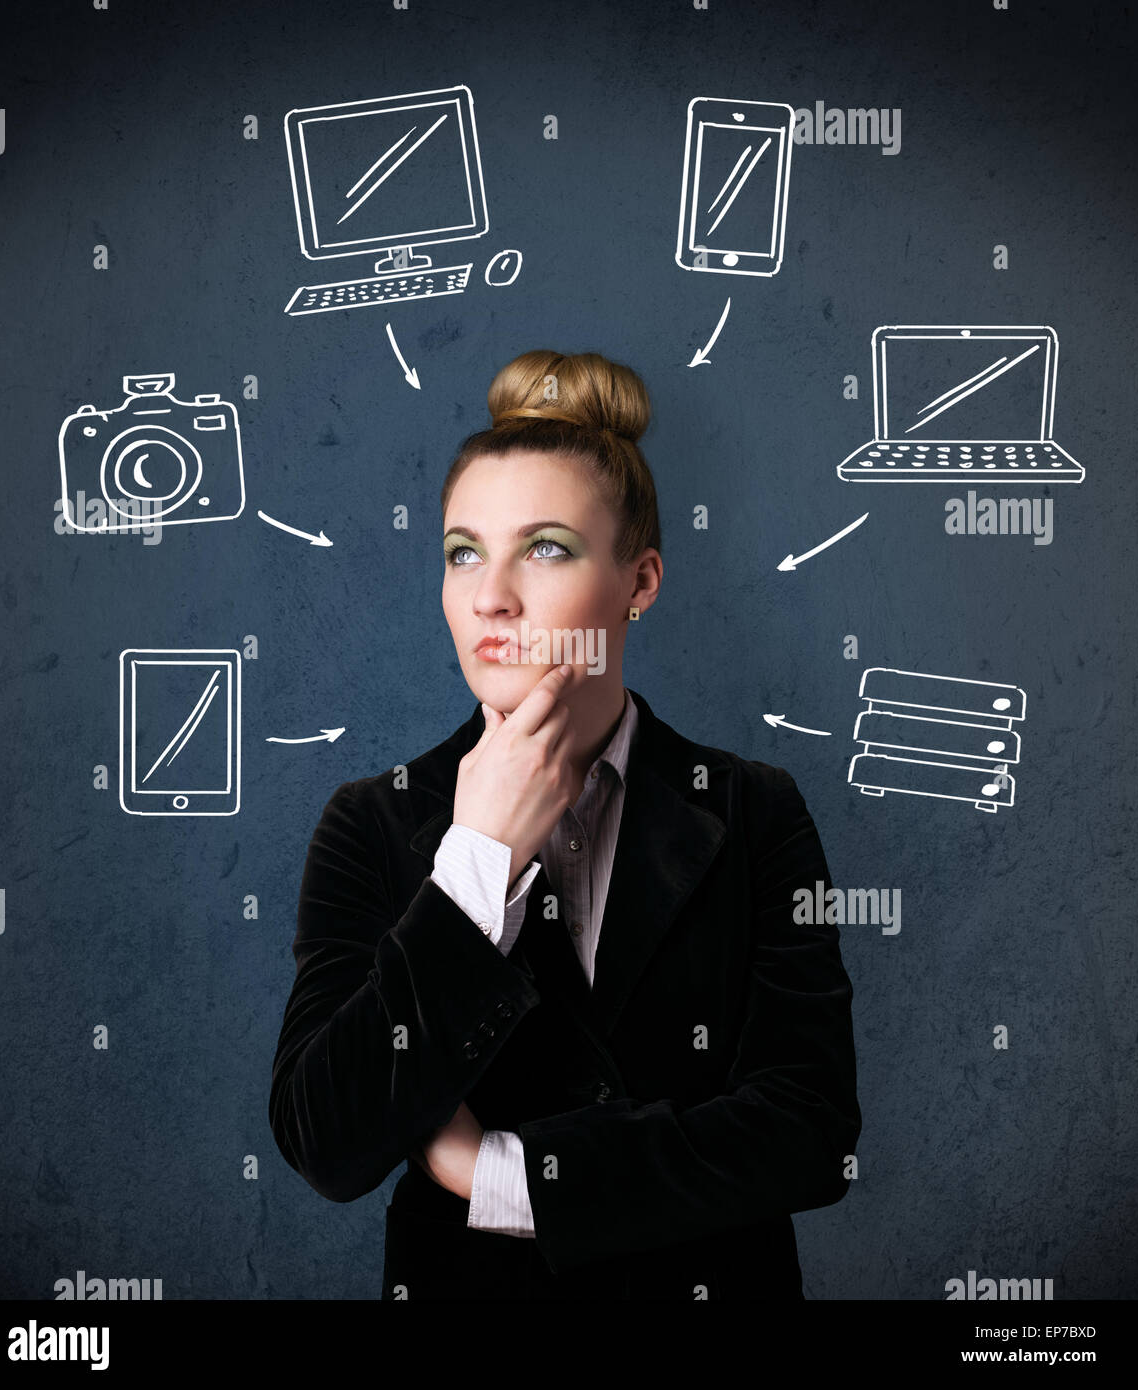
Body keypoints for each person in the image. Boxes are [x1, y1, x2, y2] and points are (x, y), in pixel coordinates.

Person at [268, 350, 861, 1300]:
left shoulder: (753, 810)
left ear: (641, 580)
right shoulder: (373, 822)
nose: (490, 595)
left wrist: (497, 1174)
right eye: (464, 552)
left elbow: (811, 1136)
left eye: (545, 547)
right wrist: (473, 870)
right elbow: (326, 1140)